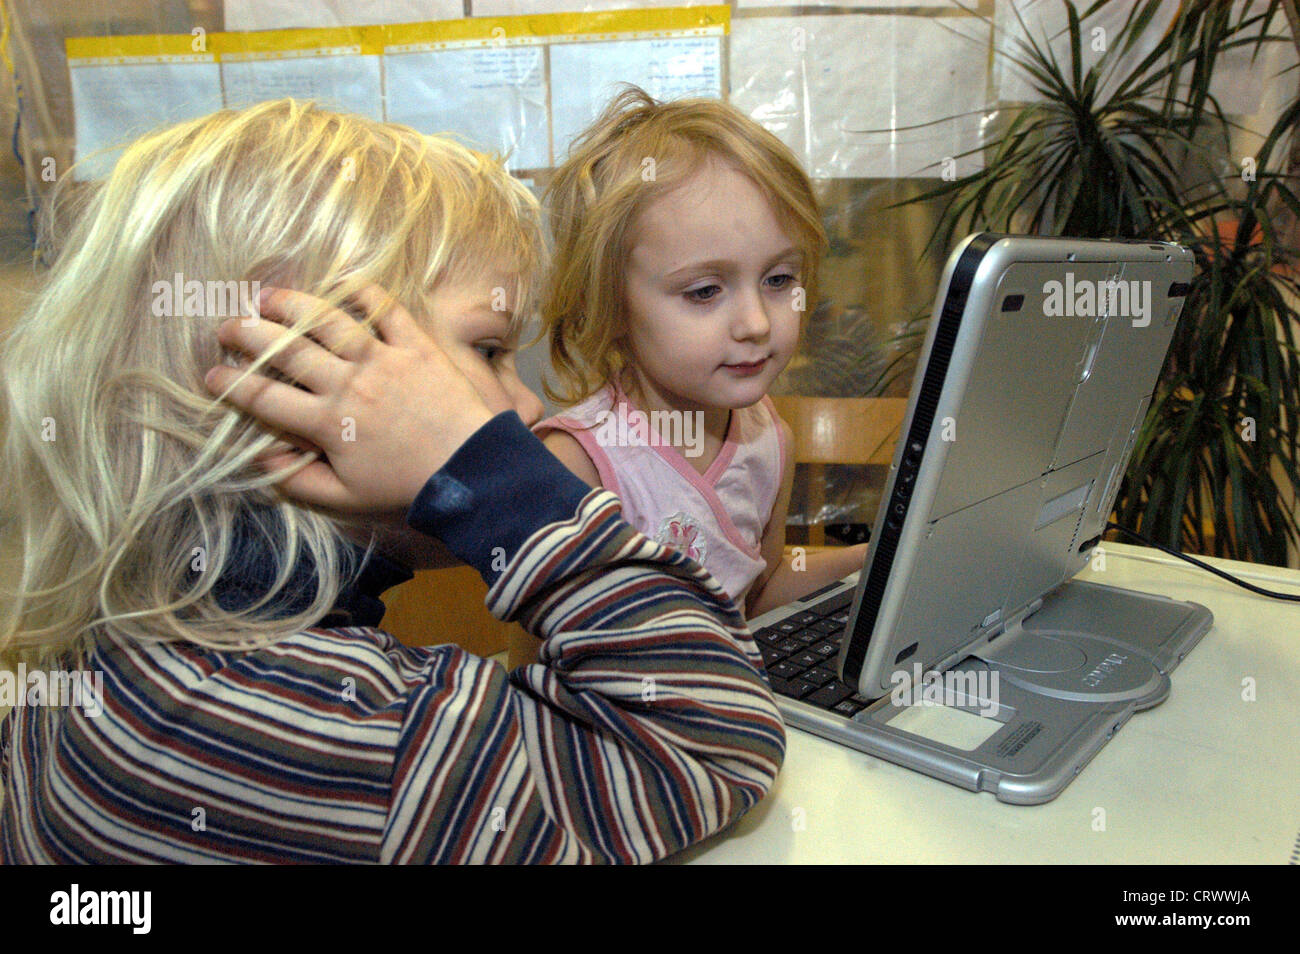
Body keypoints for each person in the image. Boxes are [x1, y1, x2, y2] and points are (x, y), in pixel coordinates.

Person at [0, 99, 784, 864]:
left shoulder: (143, 659)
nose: (527, 403)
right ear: (296, 378)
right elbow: (717, 736)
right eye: (487, 351)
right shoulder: (298, 728)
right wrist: (485, 474)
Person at [535, 87, 868, 628]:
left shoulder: (769, 439)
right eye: (705, 291)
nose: (756, 323)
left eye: (779, 279)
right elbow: (539, 659)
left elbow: (757, 594)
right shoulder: (576, 465)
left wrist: (870, 559)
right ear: (610, 304)